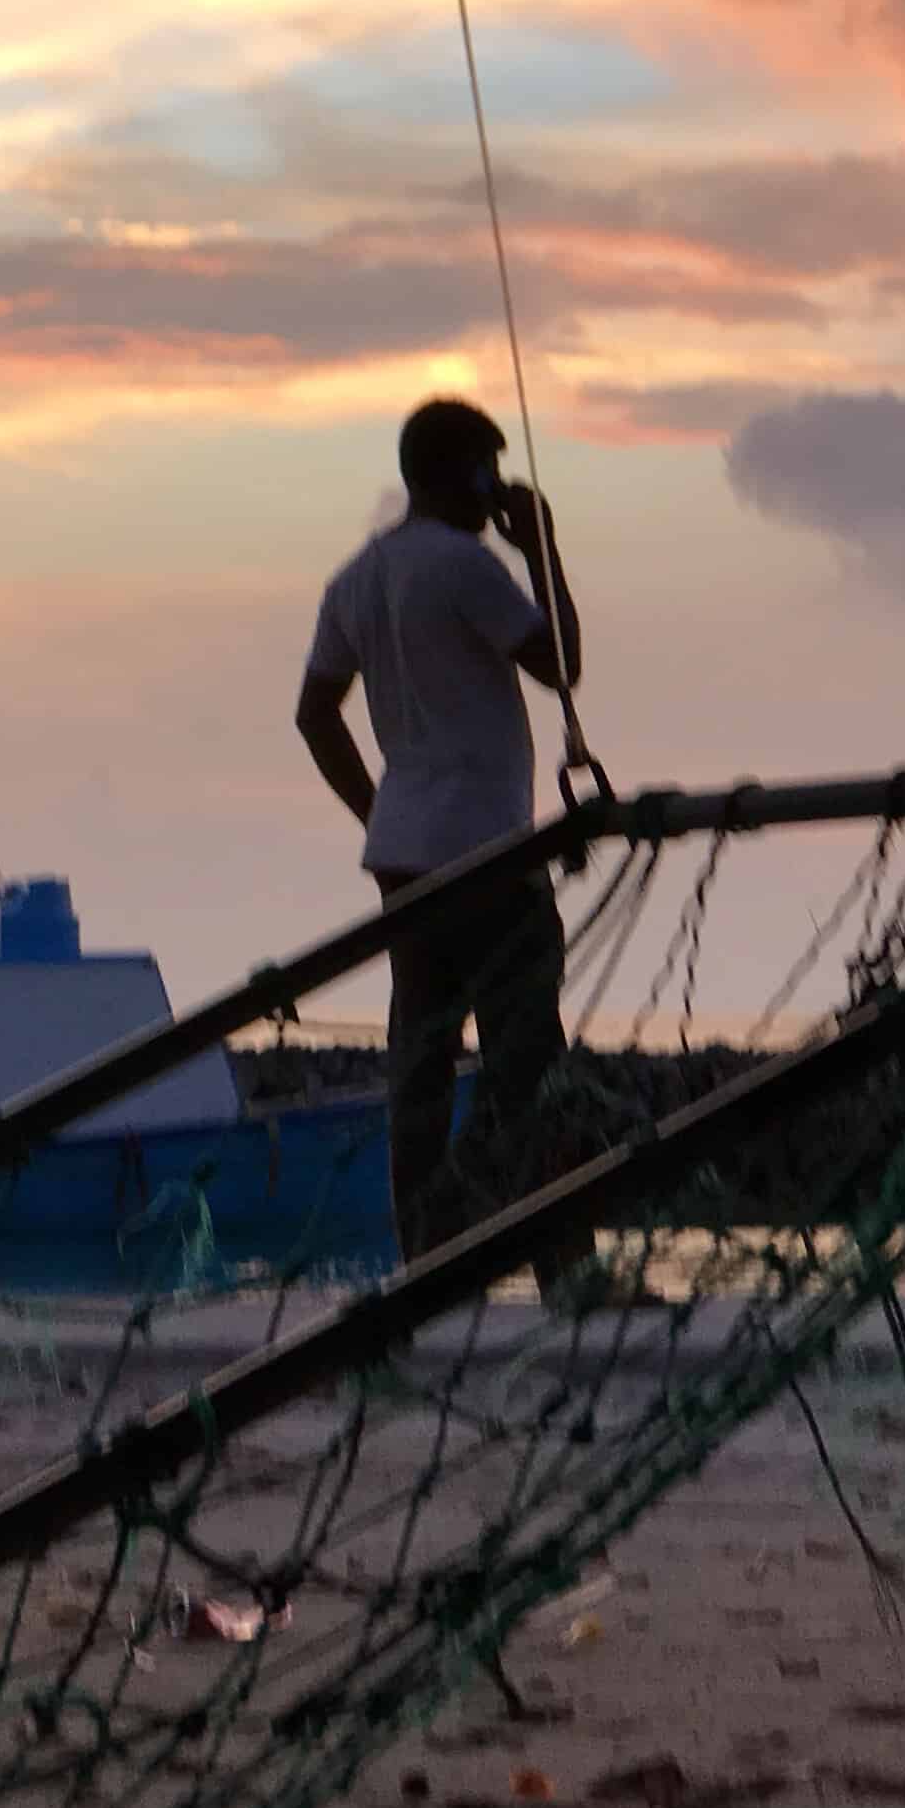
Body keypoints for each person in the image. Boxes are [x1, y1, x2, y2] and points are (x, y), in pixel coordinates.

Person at [295, 398, 589, 1265]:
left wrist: (378, 807)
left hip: (405, 854)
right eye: (489, 473)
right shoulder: (466, 567)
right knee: (528, 1057)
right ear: (464, 475)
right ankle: (563, 1261)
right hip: (490, 850)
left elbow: (315, 714)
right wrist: (540, 550)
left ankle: (425, 1254)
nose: (497, 490)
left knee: (420, 1063)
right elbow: (562, 666)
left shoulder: (358, 577)